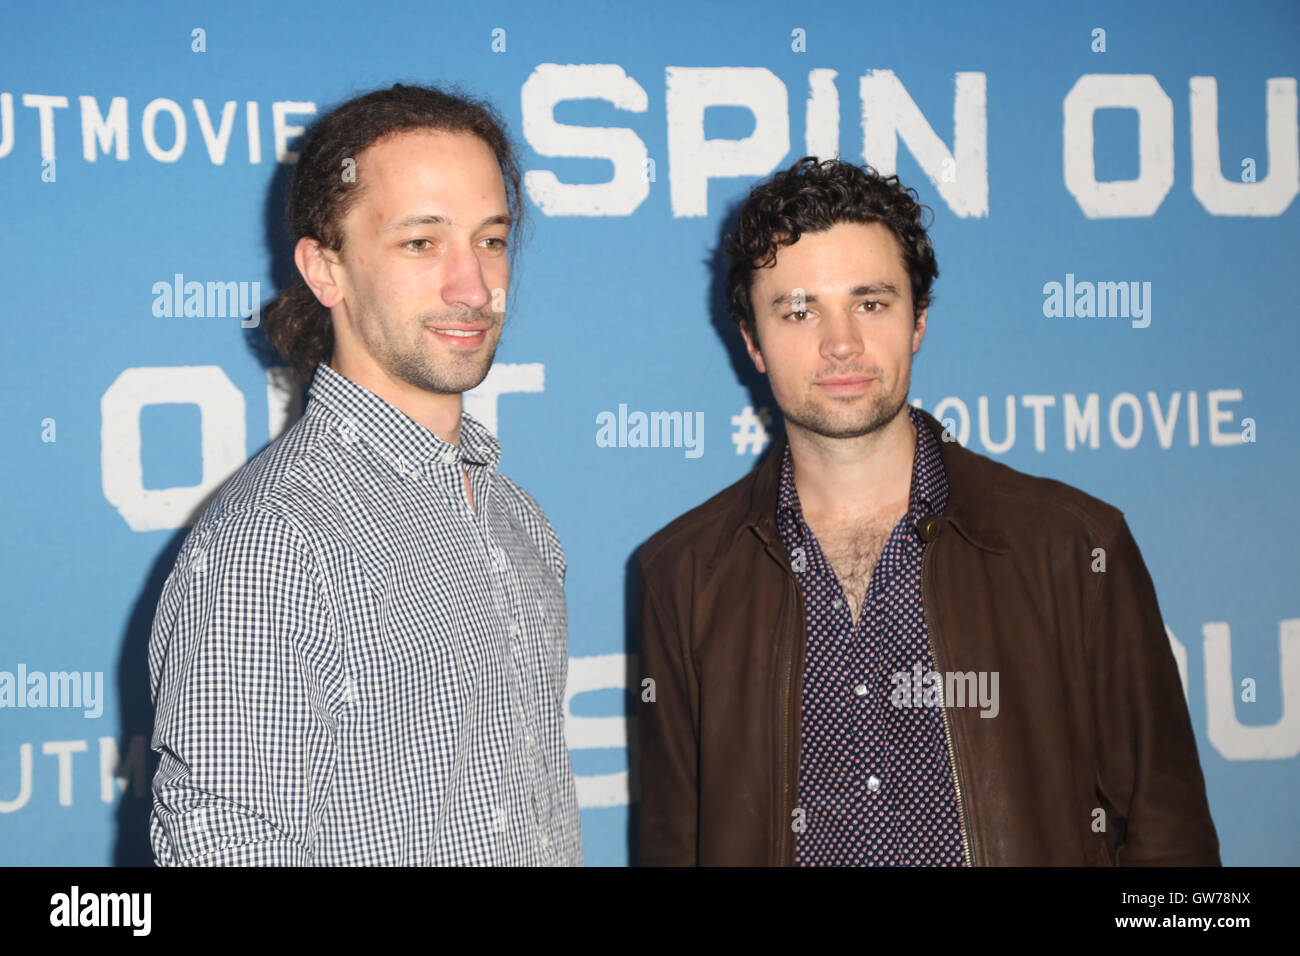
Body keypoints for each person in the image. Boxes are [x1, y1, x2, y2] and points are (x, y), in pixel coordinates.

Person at [635, 156, 1219, 866]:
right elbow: (676, 844)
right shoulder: (684, 574)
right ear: (753, 341)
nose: (841, 341)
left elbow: (1172, 842)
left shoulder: (1075, 548)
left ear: (918, 322)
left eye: (871, 303)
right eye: (799, 310)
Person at [148, 84, 582, 866]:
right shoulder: (275, 541)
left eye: (490, 240)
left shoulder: (518, 521)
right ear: (325, 269)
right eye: (421, 243)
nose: (473, 288)